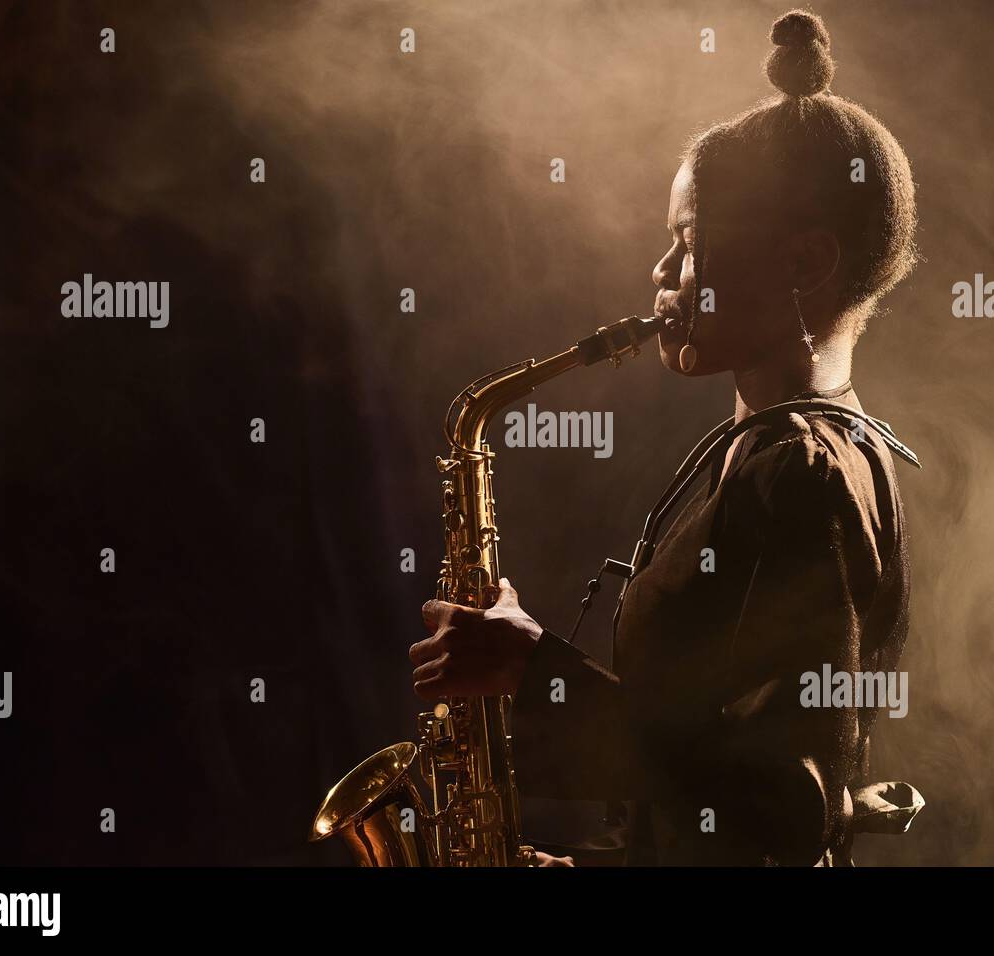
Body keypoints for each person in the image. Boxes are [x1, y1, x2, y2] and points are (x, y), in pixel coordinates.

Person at [409, 8, 919, 866]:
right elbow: (706, 798)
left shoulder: (803, 473)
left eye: (688, 242)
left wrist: (537, 673)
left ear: (804, 264)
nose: (661, 272)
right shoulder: (771, 452)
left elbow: (783, 808)